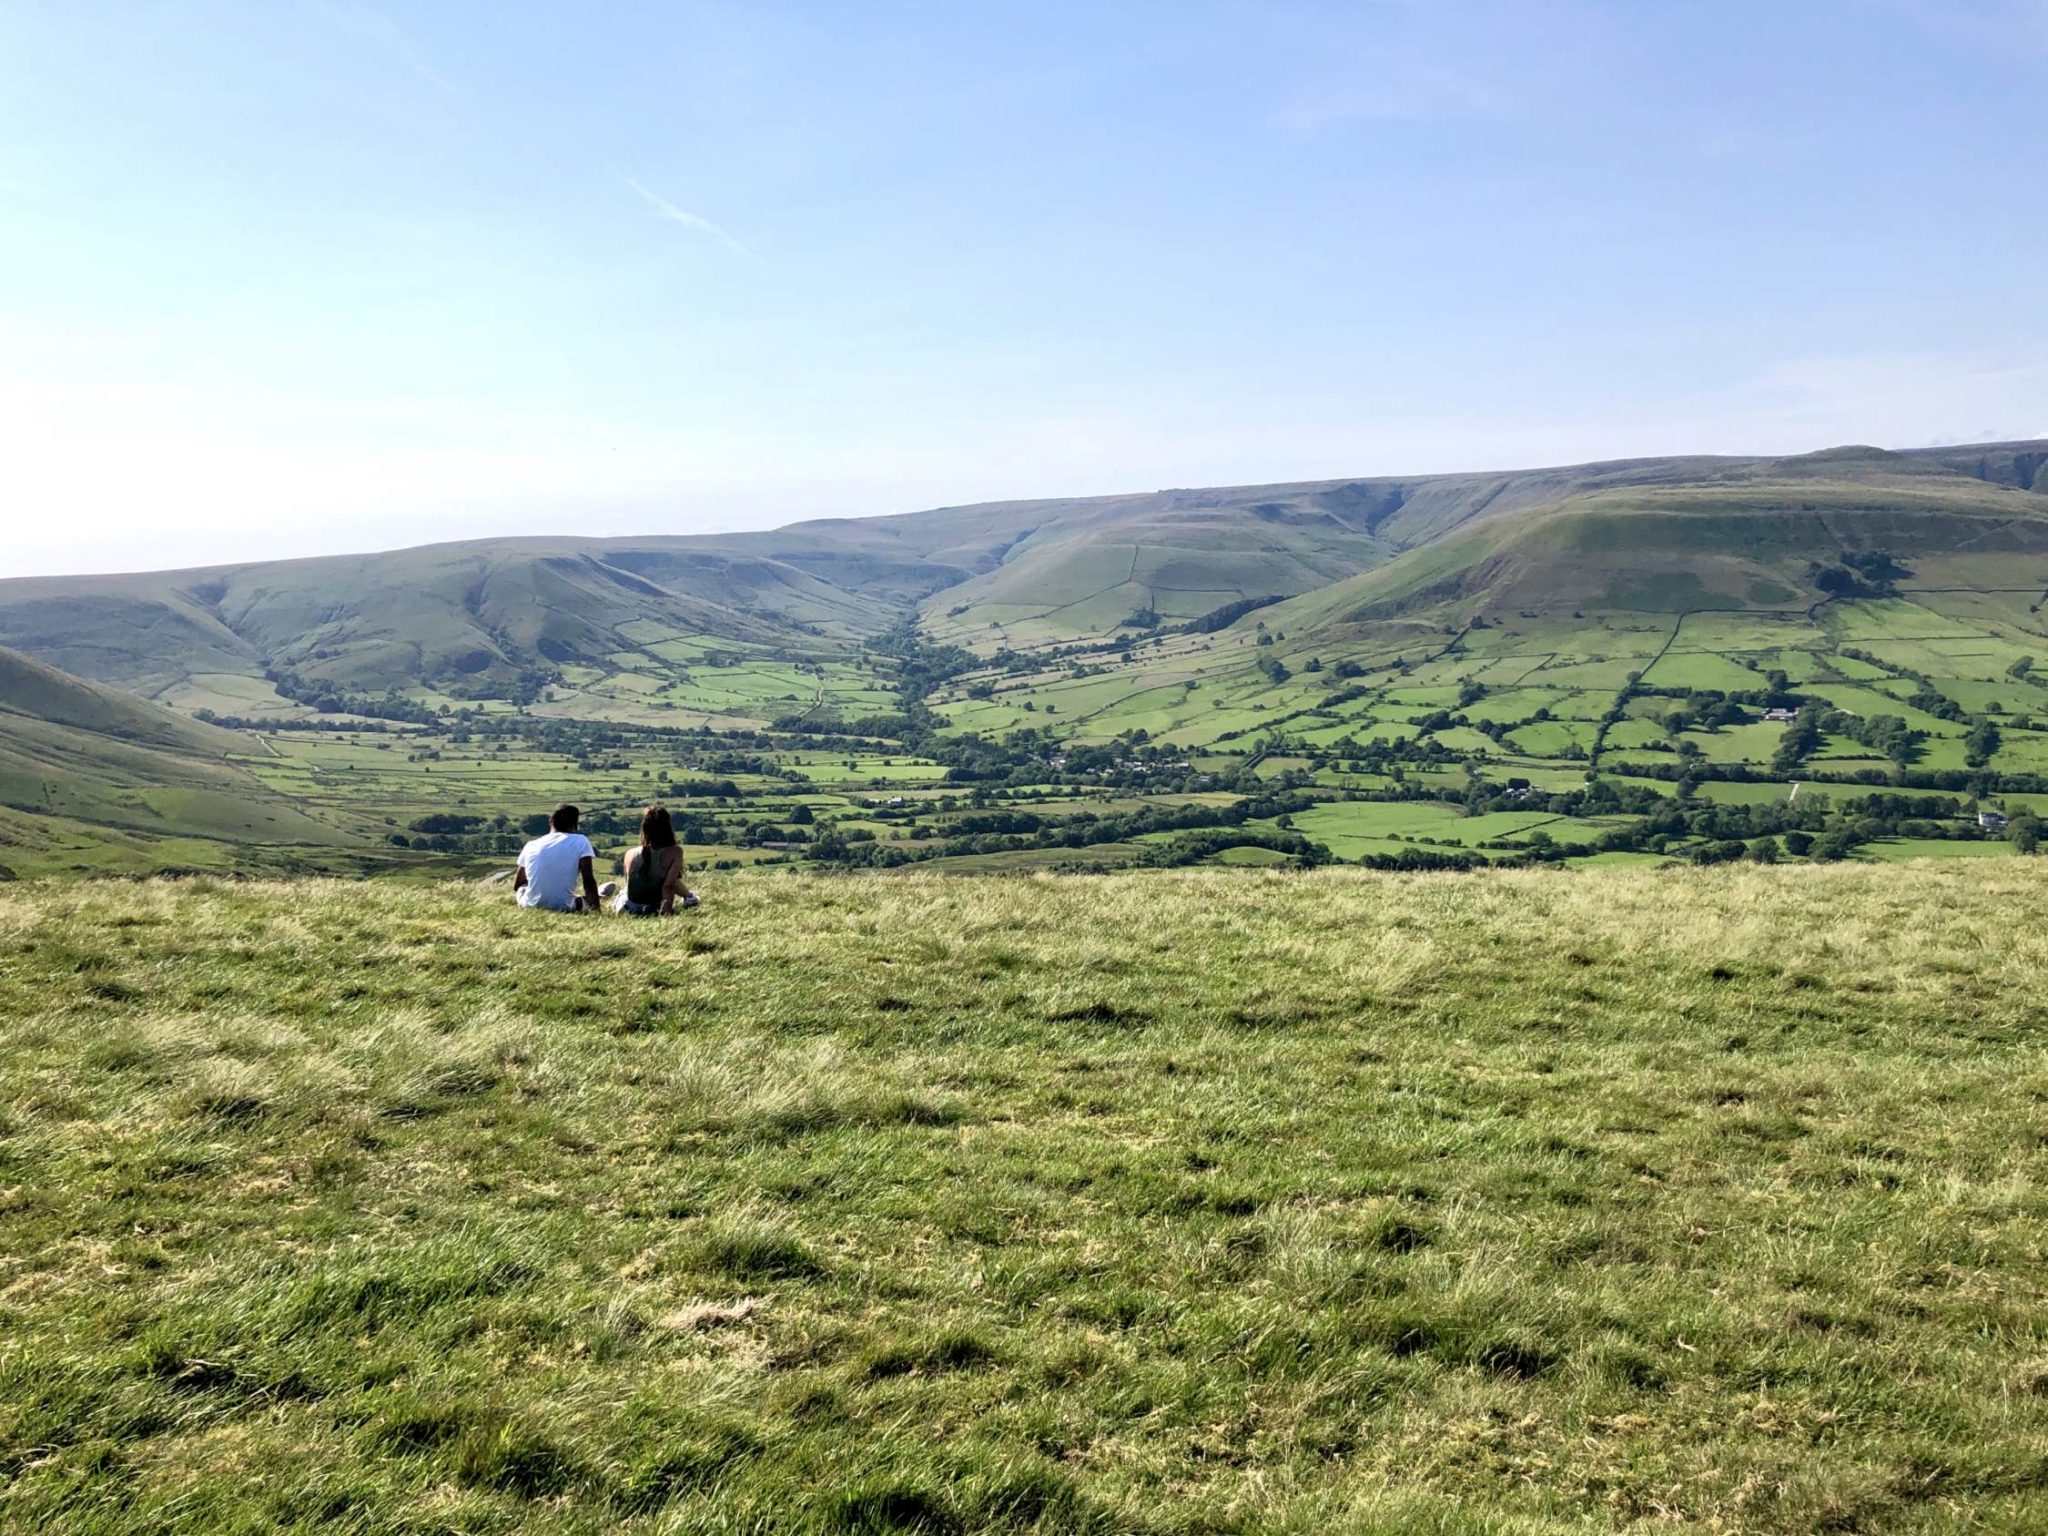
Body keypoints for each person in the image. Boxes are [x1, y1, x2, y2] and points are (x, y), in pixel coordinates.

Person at [513, 803, 605, 912]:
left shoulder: (531, 845)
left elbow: (518, 884)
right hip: (565, 907)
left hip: (530, 906)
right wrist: (596, 910)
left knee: (522, 888)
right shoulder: (581, 841)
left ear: (551, 821)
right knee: (583, 899)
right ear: (575, 825)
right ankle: (600, 895)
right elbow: (588, 880)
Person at [613, 803, 700, 915]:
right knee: (668, 878)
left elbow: (630, 884)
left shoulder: (629, 853)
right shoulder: (675, 852)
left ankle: (689, 897)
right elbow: (668, 886)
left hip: (627, 908)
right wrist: (666, 913)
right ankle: (690, 898)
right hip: (652, 909)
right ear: (667, 827)